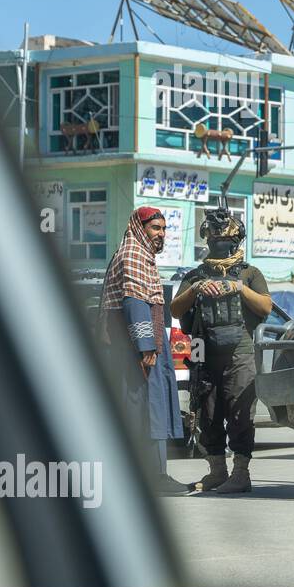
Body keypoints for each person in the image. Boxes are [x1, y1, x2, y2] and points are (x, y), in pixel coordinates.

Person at [172, 206, 272, 494]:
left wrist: (237, 288)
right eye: (214, 239)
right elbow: (176, 308)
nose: (218, 244)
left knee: (240, 411)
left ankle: (241, 474)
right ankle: (217, 471)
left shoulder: (250, 273)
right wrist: (197, 288)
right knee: (208, 411)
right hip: (204, 350)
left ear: (236, 239)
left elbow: (265, 307)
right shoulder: (196, 275)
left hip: (240, 351)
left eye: (224, 239)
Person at [99, 206, 187, 495]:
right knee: (146, 411)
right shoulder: (134, 253)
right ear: (140, 228)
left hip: (140, 348)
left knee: (149, 410)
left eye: (163, 229)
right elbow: (135, 304)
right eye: (155, 228)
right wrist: (146, 348)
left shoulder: (139, 253)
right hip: (135, 350)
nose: (161, 234)